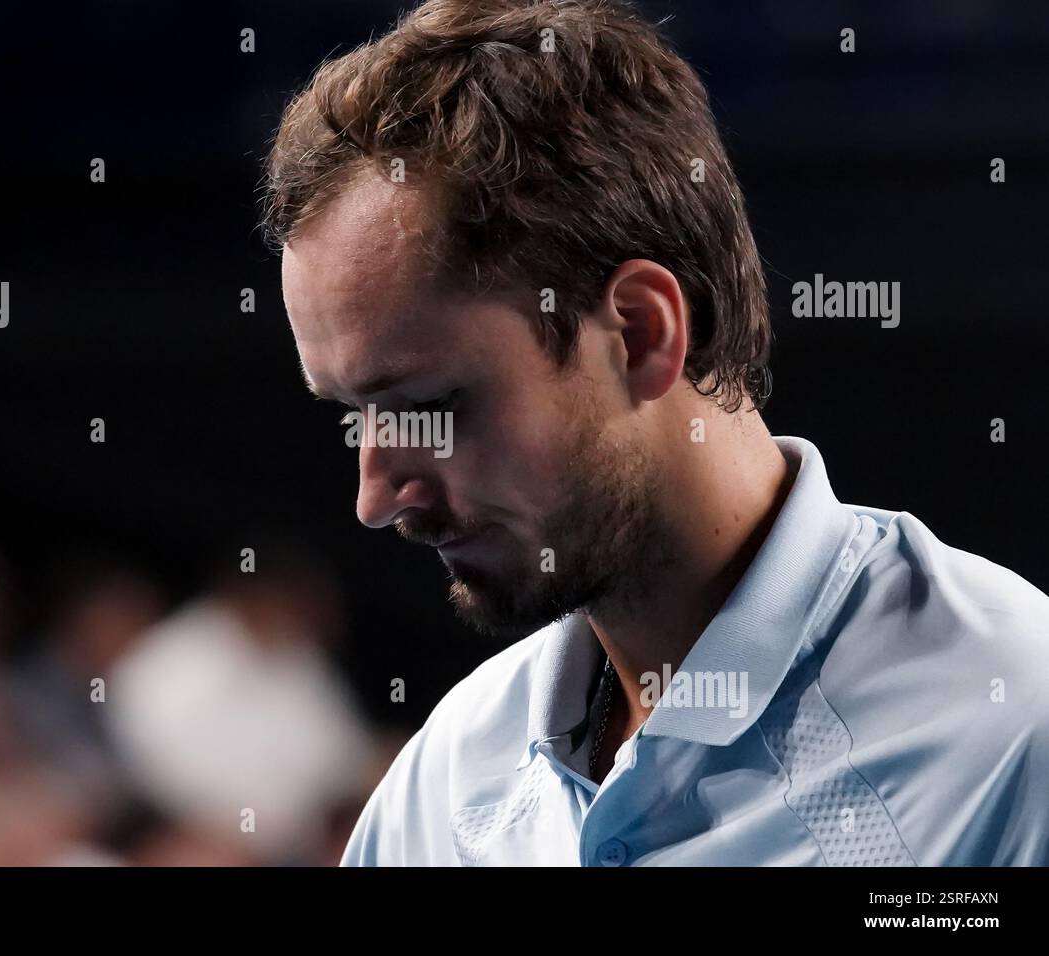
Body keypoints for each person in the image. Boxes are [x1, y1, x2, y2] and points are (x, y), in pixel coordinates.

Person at [258, 0, 1049, 865]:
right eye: (355, 416)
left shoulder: (1014, 730)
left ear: (640, 333)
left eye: (426, 404)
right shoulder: (438, 793)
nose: (376, 498)